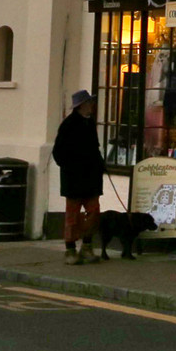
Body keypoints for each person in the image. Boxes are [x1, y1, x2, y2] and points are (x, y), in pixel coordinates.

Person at [52, 89, 105, 264]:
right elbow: (58, 152)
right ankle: (70, 249)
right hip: (74, 178)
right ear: (82, 105)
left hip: (91, 177)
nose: (92, 106)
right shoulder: (68, 125)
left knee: (93, 213)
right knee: (72, 215)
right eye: (89, 103)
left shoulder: (89, 124)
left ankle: (87, 246)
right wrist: (70, 167)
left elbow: (94, 149)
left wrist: (99, 164)